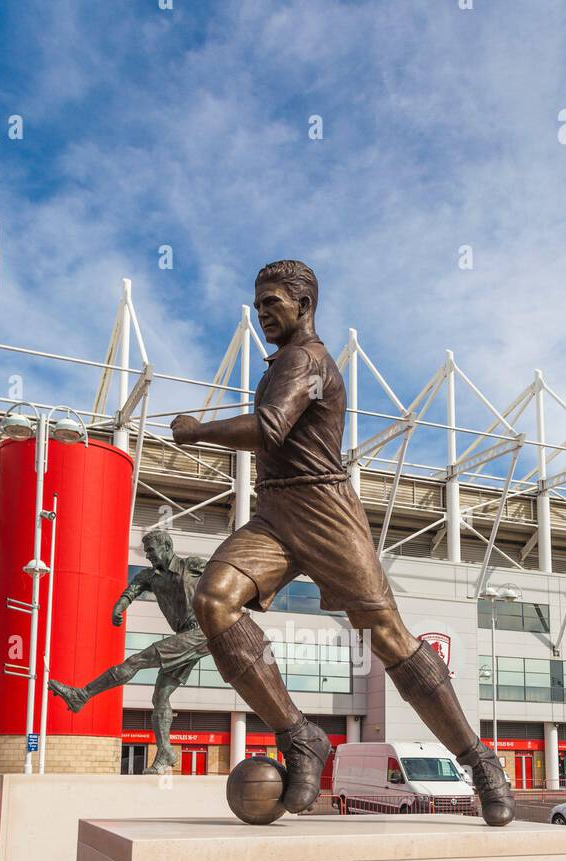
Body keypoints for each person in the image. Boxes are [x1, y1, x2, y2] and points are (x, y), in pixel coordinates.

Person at [171, 259, 514, 825]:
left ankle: (481, 765)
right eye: (258, 306)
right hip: (277, 512)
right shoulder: (282, 361)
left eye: (273, 304)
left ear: (304, 306)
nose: (263, 315)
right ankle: (300, 736)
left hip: (325, 510)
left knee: (390, 638)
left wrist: (196, 430)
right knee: (213, 601)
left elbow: (269, 427)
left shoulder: (308, 359)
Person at [49, 530, 208, 774]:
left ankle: (82, 694)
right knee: (160, 697)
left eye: (151, 550)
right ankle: (165, 751)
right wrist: (119, 607)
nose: (147, 555)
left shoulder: (192, 565)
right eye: (145, 552)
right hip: (184, 638)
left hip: (201, 631)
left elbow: (227, 577)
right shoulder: (150, 576)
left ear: (166, 546)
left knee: (136, 660)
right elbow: (130, 591)